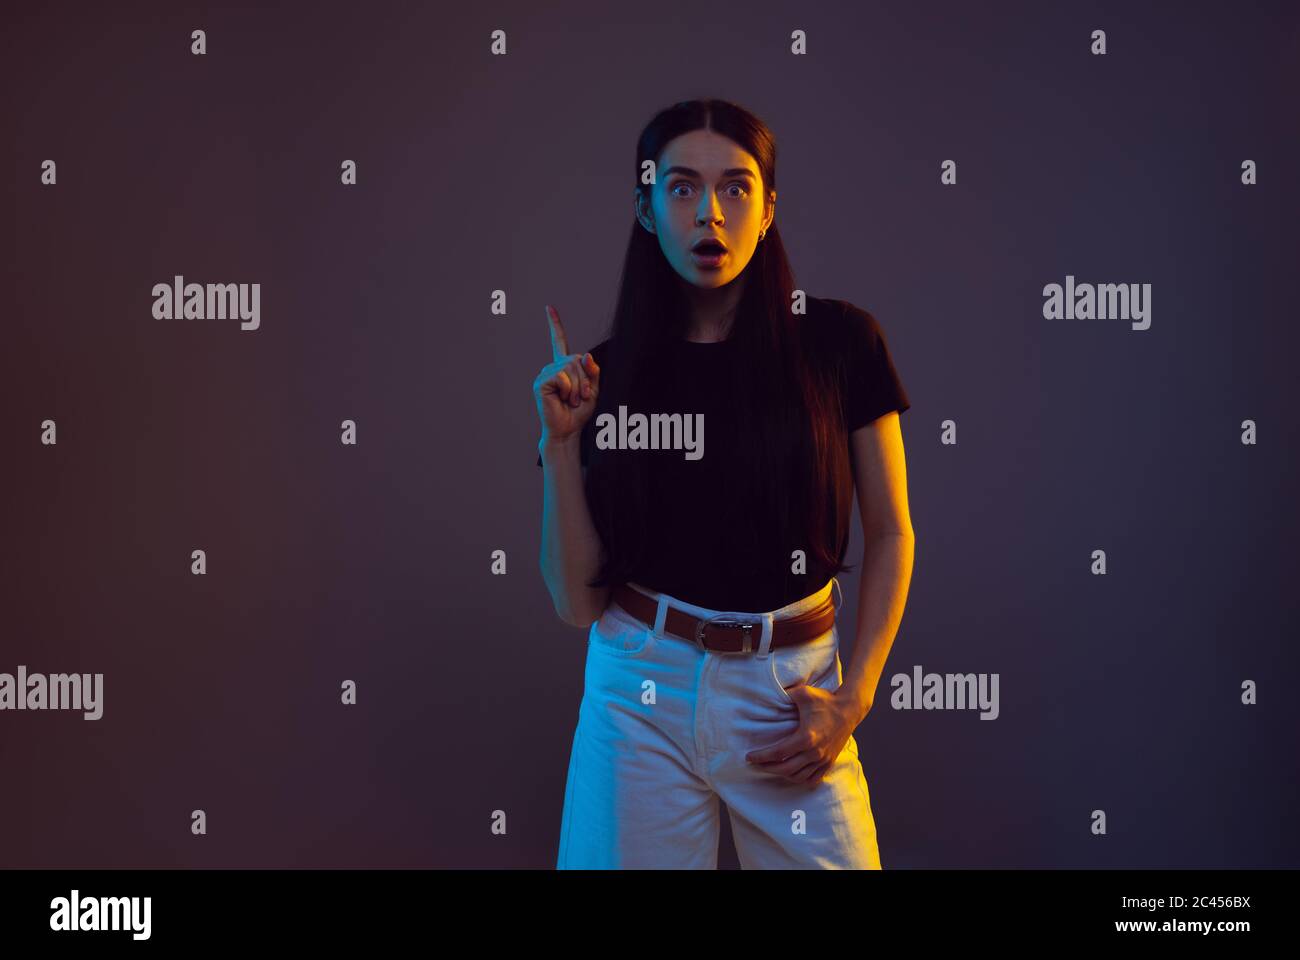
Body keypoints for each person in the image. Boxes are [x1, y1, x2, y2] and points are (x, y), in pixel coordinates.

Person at [533, 99, 915, 869]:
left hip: (789, 695)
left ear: (769, 208)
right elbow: (577, 605)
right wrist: (561, 448)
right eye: (681, 188)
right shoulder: (602, 378)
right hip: (638, 692)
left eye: (737, 188)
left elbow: (894, 532)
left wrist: (855, 696)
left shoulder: (842, 341)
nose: (710, 212)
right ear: (647, 208)